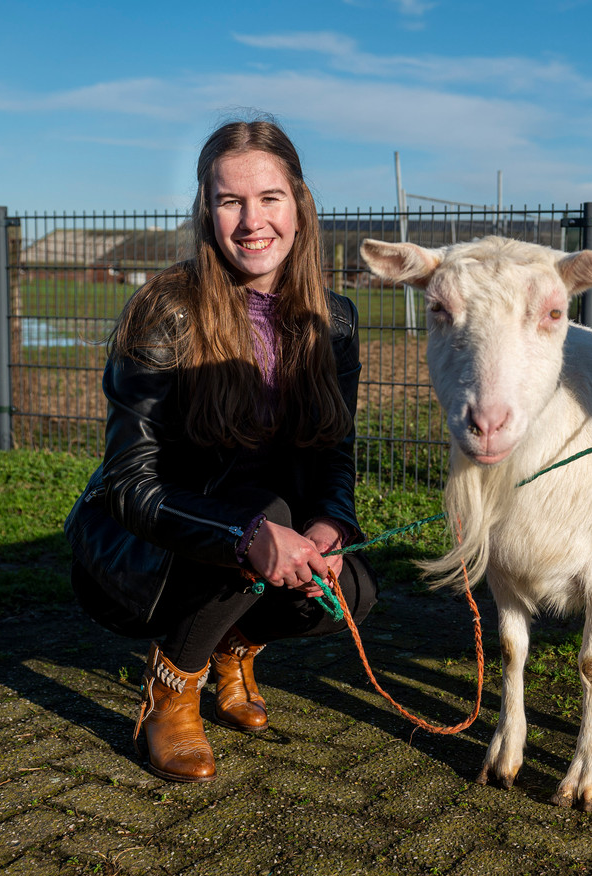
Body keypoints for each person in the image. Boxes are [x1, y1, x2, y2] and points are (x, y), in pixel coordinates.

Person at [64, 117, 377, 783]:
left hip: (265, 526)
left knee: (351, 593)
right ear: (207, 210)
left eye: (269, 198)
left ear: (299, 204)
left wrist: (329, 524)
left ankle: (234, 645)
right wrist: (249, 535)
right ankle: (172, 688)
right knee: (264, 510)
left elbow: (335, 456)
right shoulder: (165, 310)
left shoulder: (337, 319)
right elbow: (129, 484)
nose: (251, 221)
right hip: (155, 548)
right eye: (229, 200)